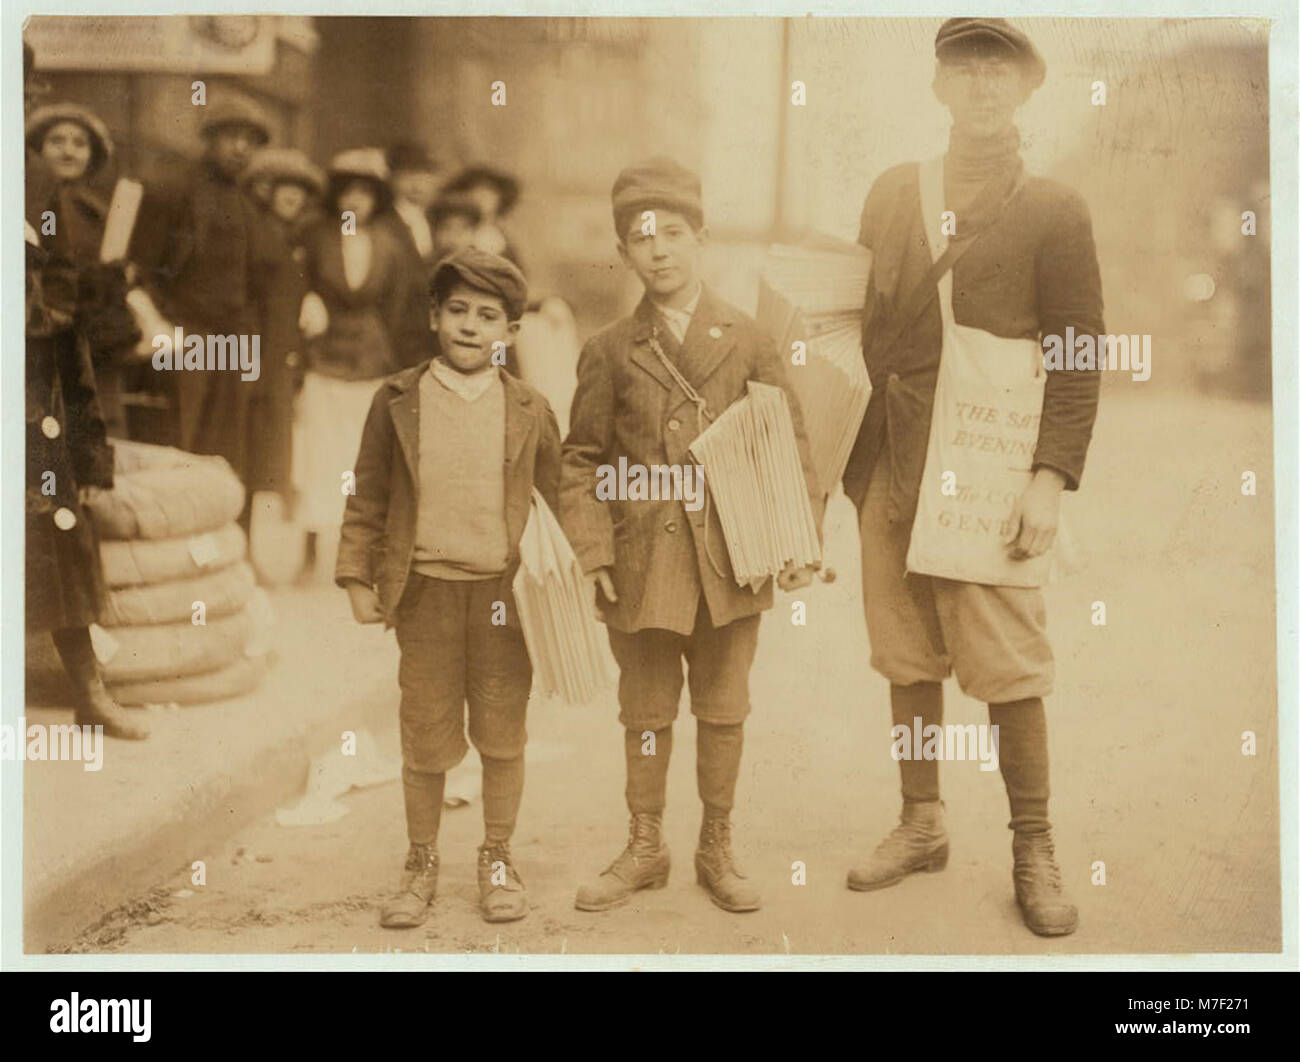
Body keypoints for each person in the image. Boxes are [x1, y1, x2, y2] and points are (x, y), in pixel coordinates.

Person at [841, 18, 1104, 937]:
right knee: (907, 653)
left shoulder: (1054, 207)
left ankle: (1033, 841)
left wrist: (1050, 477)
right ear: (939, 87)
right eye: (967, 69)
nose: (985, 86)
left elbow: (1076, 351)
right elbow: (848, 316)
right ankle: (921, 821)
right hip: (894, 454)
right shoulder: (891, 193)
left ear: (1026, 91)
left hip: (991, 461)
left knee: (1007, 662)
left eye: (1003, 72)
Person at [558, 157, 821, 914]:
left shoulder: (747, 338)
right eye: (641, 238)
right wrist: (593, 549)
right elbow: (580, 459)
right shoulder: (609, 348)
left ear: (702, 237)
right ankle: (645, 846)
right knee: (644, 711)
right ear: (625, 251)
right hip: (641, 562)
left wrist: (797, 539)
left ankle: (716, 846)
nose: (659, 250)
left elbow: (788, 440)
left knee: (724, 707)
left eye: (674, 233)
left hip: (733, 555)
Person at [335, 247, 561, 928]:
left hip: (502, 597)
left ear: (511, 333)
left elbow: (558, 501)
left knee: (501, 734)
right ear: (434, 316)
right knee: (425, 734)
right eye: (456, 310)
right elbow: (366, 493)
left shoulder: (530, 407)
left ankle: (497, 856)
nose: (469, 326)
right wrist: (355, 574)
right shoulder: (398, 398)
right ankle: (421, 859)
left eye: (487, 315)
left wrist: (576, 578)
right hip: (425, 594)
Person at [25, 128, 147, 741]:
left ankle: (89, 690)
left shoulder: (50, 304)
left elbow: (78, 380)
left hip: (32, 429)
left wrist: (92, 461)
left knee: (62, 544)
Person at [129, 92, 278, 491]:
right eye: (232, 136)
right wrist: (162, 325)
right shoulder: (172, 191)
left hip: (236, 336)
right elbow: (142, 268)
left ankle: (220, 544)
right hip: (186, 333)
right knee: (181, 439)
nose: (241, 148)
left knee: (229, 447)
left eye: (251, 141)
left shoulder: (249, 204)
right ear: (210, 138)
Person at [294, 148, 429, 577]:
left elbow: (399, 306)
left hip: (371, 360)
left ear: (376, 202)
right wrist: (309, 301)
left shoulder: (389, 244)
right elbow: (297, 283)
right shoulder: (316, 238)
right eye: (348, 194)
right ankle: (311, 551)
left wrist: (385, 347)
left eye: (365, 195)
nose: (355, 203)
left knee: (365, 454)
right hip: (325, 357)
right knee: (318, 454)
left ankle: (366, 554)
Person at [25, 102, 140, 438]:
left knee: (101, 421)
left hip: (93, 337)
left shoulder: (102, 213)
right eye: (57, 141)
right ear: (36, 150)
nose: (68, 151)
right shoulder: (26, 204)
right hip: (43, 331)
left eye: (79, 143)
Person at [239, 148, 326, 508]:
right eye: (283, 187)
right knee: (247, 453)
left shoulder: (295, 240)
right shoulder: (254, 233)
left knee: (272, 458)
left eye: (299, 190)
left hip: (282, 359)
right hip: (254, 357)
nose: (292, 196)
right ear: (265, 191)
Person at [441, 165, 524, 269]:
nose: (480, 201)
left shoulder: (501, 241)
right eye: (474, 194)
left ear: (499, 201)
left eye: (486, 196)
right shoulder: (449, 232)